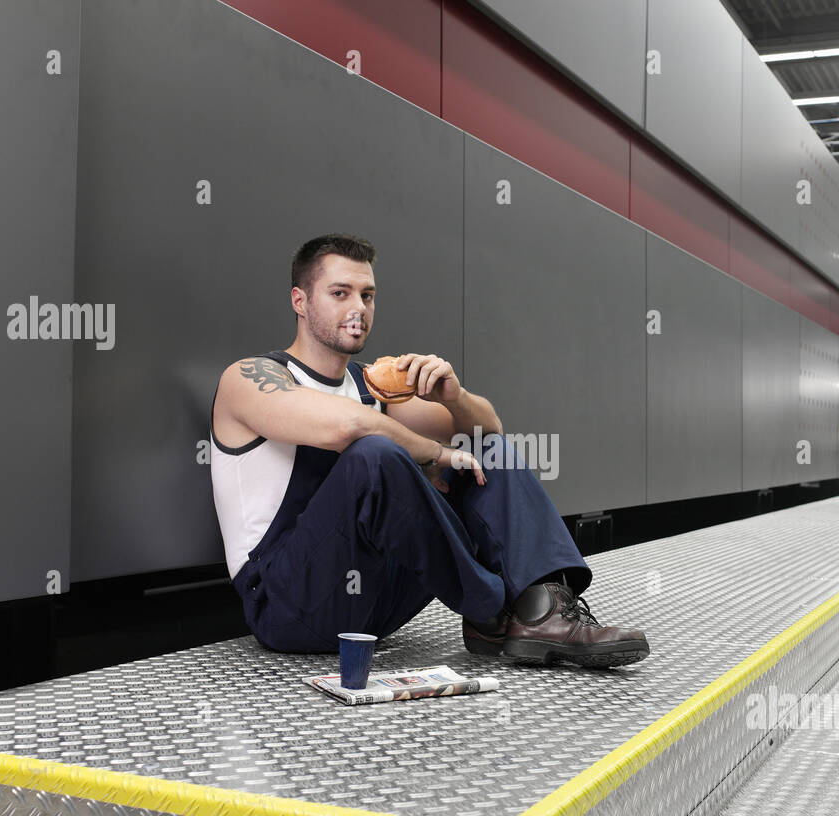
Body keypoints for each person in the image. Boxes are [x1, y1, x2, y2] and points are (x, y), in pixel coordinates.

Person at [209, 233, 650, 668]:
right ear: (300, 301)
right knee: (374, 454)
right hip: (286, 606)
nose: (358, 308)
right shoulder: (251, 378)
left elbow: (488, 426)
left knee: (485, 449)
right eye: (340, 293)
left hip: (370, 602)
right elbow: (349, 425)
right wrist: (436, 455)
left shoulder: (372, 385)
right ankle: (494, 609)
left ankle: (544, 607)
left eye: (367, 295)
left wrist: (452, 395)